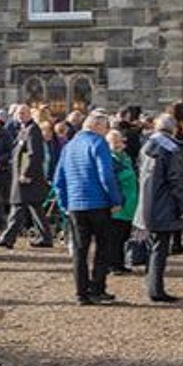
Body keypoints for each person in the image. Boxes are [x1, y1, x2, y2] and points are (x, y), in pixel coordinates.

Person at [52, 110, 123, 305]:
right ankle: (97, 288)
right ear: (97, 126)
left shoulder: (69, 146)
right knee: (102, 247)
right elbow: (106, 176)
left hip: (76, 204)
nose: (107, 131)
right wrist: (116, 200)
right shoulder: (98, 143)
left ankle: (81, 293)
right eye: (106, 127)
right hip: (98, 203)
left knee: (80, 250)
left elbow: (59, 180)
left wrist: (64, 203)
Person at [134, 114, 183, 302]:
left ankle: (151, 284)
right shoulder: (171, 150)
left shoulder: (146, 146)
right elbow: (176, 181)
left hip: (146, 203)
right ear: (173, 129)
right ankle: (156, 290)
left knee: (153, 246)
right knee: (160, 249)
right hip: (163, 204)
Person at [0, 103, 51, 249]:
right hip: (22, 175)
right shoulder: (23, 130)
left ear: (30, 114)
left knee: (18, 206)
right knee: (35, 207)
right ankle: (46, 238)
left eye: (24, 113)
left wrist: (26, 173)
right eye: (19, 113)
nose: (21, 116)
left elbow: (34, 154)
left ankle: (7, 238)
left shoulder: (32, 130)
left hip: (27, 177)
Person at [105, 129, 139, 274]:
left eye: (120, 141)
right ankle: (112, 264)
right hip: (118, 204)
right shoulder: (109, 159)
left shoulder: (125, 157)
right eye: (115, 142)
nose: (119, 144)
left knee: (124, 235)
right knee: (115, 237)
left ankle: (120, 263)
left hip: (130, 203)